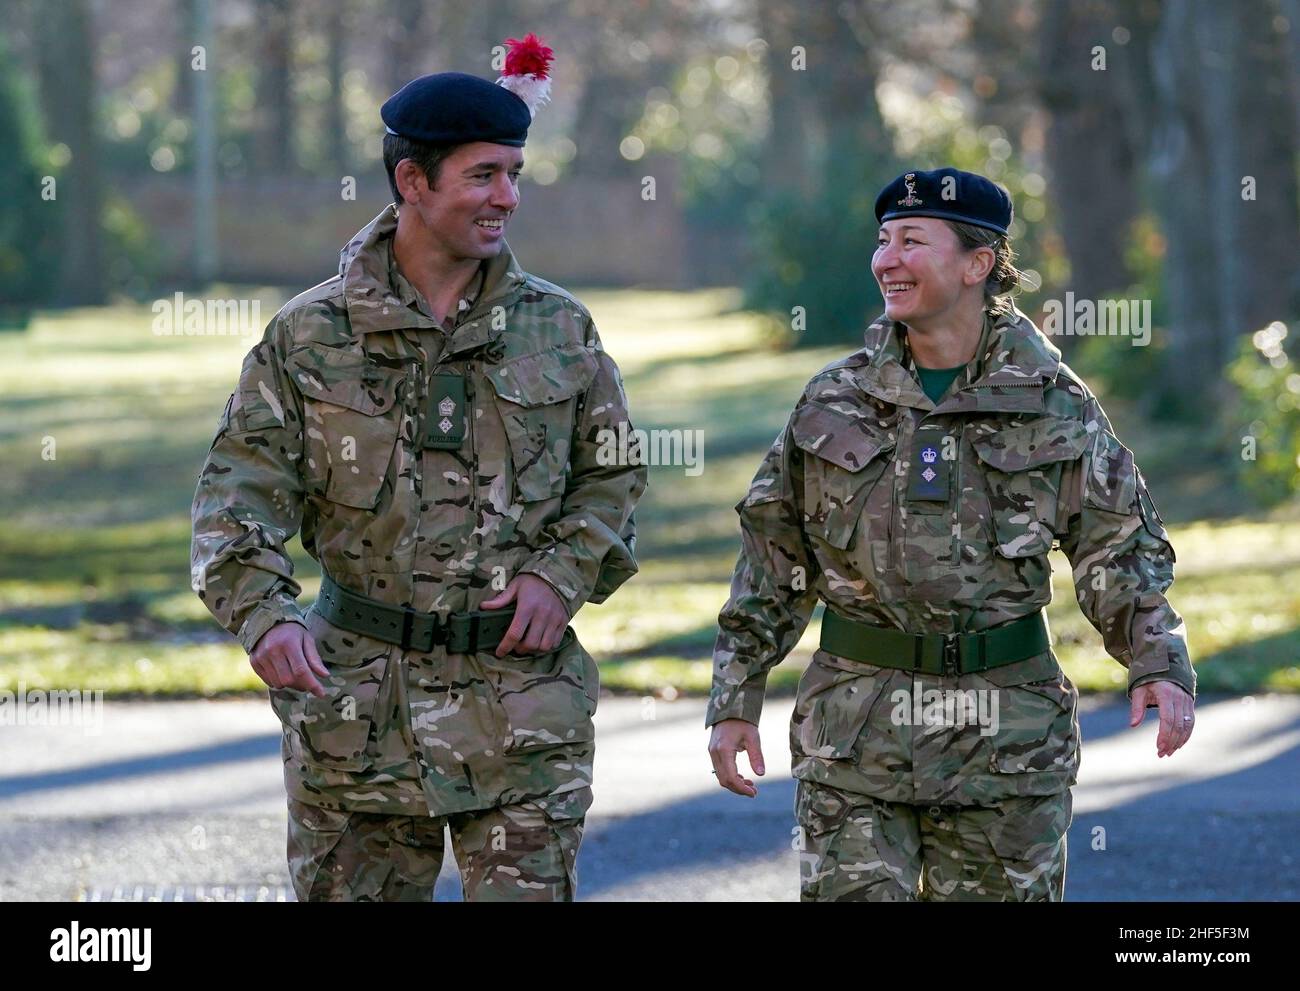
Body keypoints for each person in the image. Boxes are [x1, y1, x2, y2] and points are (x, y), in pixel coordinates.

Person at [191, 34, 647, 902]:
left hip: (521, 708)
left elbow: (615, 473)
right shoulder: (310, 335)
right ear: (413, 182)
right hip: (356, 708)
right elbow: (237, 489)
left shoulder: (559, 329)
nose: (507, 197)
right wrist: (263, 617)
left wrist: (562, 573)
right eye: (484, 176)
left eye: (515, 173)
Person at [705, 166, 1195, 902]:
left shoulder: (1052, 402)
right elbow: (774, 558)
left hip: (1007, 744)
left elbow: (1117, 543)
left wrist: (1155, 660)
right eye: (882, 240)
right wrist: (735, 693)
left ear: (978, 263)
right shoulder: (834, 398)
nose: (887, 259)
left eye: (912, 240)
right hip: (854, 740)